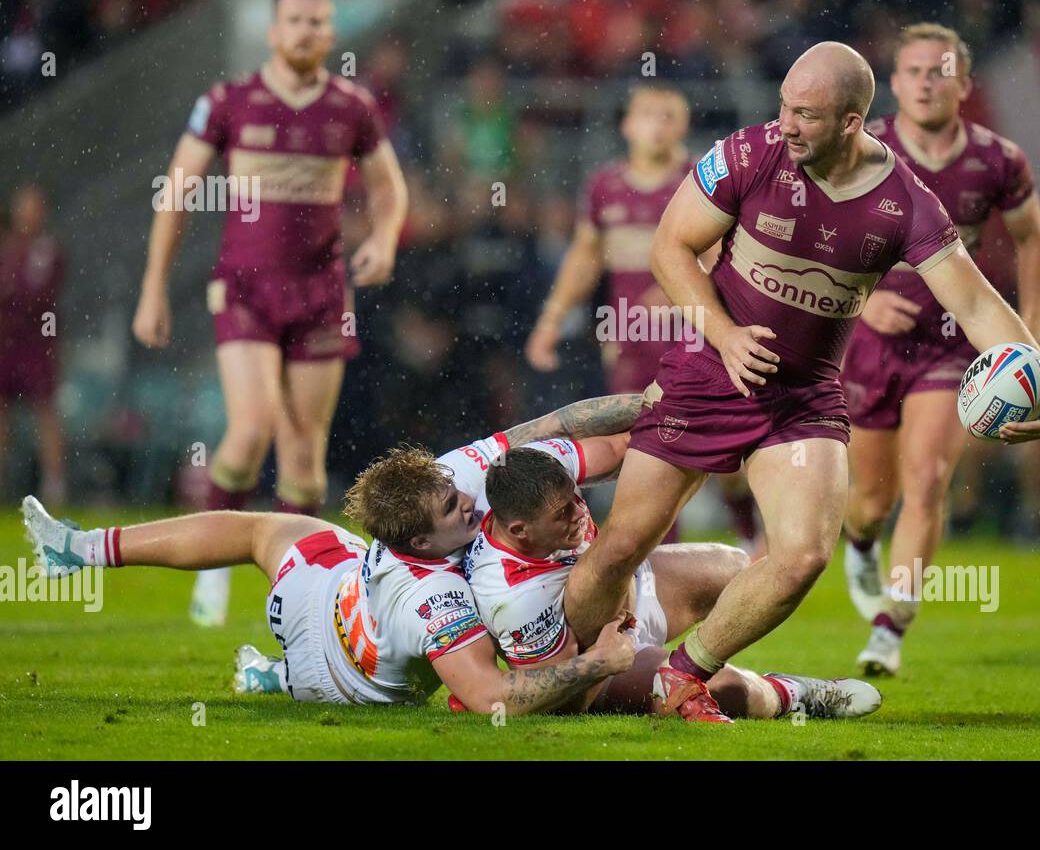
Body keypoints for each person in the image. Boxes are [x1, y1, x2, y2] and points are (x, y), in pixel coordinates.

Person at [562, 41, 1040, 721]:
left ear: (851, 121)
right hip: (709, 371)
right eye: (785, 108)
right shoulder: (750, 153)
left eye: (805, 114)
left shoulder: (904, 201)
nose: (787, 125)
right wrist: (725, 334)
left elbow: (975, 304)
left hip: (801, 400)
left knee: (801, 556)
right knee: (622, 544)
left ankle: (681, 679)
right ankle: (566, 674)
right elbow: (669, 247)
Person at [22, 394, 647, 707]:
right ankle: (284, 676)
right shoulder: (436, 598)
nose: (468, 501)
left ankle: (80, 549)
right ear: (421, 543)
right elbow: (488, 698)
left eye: (453, 491)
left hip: (325, 587)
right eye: (454, 510)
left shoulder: (453, 476)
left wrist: (649, 405)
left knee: (262, 530)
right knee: (442, 660)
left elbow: (553, 427)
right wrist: (599, 662)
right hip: (344, 674)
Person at [131, 0, 408, 627]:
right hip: (245, 290)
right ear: (273, 32)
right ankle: (219, 570)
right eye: (296, 20)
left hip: (321, 296)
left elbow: (390, 189)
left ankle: (299, 593)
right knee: (251, 427)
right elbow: (176, 194)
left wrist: (386, 241)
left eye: (319, 20)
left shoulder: (352, 107)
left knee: (305, 456)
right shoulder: (228, 103)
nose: (308, 30)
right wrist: (153, 286)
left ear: (331, 34)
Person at [838, 24, 1040, 675]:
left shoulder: (998, 161)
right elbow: (820, 241)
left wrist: (1028, 347)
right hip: (866, 344)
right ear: (894, 82)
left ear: (964, 84)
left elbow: (1034, 242)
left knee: (928, 478)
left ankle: (889, 629)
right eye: (914, 71)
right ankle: (861, 542)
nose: (927, 81)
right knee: (870, 498)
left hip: (952, 348)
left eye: (941, 70)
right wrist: (861, 301)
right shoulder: (860, 147)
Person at [463, 444, 881, 720]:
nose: (578, 513)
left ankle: (695, 658)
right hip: (593, 655)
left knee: (737, 567)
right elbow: (565, 705)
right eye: (562, 514)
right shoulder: (511, 597)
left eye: (577, 497)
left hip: (629, 587)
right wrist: (602, 662)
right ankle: (797, 694)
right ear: (520, 531)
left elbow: (615, 440)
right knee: (730, 691)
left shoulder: (535, 472)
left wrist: (674, 401)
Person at [524, 82, 762, 550]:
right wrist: (551, 318)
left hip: (696, 334)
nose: (658, 125)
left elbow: (725, 253)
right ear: (627, 125)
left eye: (668, 114)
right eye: (648, 114)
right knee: (646, 447)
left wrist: (675, 286)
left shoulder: (700, 178)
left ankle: (744, 522)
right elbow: (586, 255)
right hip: (630, 338)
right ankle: (661, 552)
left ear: (684, 125)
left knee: (721, 452)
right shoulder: (605, 186)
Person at [0, 184, 65, 504]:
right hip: (4, 343)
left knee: (45, 411)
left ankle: (54, 484)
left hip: (36, 344)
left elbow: (38, 293)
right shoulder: (6, 246)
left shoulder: (47, 249)